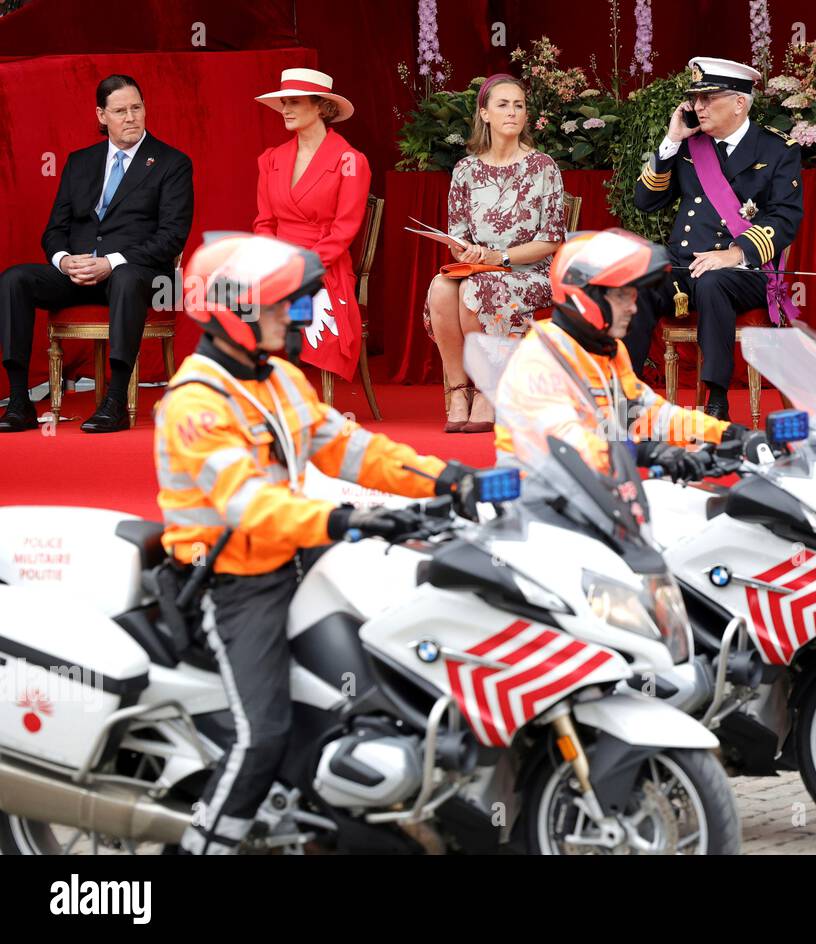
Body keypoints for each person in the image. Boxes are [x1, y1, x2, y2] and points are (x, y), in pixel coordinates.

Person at [158, 233, 474, 854]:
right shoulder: (195, 402)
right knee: (262, 735)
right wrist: (341, 521)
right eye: (279, 305)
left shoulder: (275, 378)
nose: (294, 316)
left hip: (295, 562)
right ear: (234, 311)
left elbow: (351, 448)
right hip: (230, 585)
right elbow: (248, 503)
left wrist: (444, 477)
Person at [0, 74, 193, 433]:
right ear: (101, 115)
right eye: (120, 111)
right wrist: (64, 260)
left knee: (124, 276)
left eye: (137, 107)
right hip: (80, 272)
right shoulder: (80, 162)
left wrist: (111, 262)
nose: (131, 117)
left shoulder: (171, 163)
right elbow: (54, 230)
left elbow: (171, 238)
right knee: (15, 279)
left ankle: (115, 400)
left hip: (140, 273)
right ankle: (18, 401)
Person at [623, 56, 803, 421]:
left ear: (739, 102)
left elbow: (786, 218)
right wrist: (672, 139)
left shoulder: (777, 150)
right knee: (638, 277)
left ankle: (715, 401)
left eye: (708, 99)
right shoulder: (691, 145)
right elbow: (646, 201)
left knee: (714, 282)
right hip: (684, 262)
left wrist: (736, 253)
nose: (697, 107)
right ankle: (626, 400)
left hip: (745, 270)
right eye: (695, 99)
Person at [494, 229, 756, 479]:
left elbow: (649, 414)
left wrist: (731, 435)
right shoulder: (541, 357)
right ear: (586, 295)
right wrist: (649, 451)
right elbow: (567, 445)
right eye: (622, 297)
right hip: (538, 505)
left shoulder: (606, 349)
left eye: (634, 296)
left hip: (599, 498)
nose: (633, 308)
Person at [424, 73, 565, 433]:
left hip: (529, 275)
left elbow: (551, 240)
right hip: (479, 269)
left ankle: (489, 389)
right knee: (441, 287)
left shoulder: (543, 167)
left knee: (477, 288)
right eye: (503, 105)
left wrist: (497, 258)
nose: (512, 112)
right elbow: (458, 238)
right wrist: (464, 250)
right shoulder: (466, 170)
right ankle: (459, 389)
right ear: (484, 113)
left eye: (519, 105)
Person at [253, 68, 371, 385]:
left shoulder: (350, 160)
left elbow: (344, 232)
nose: (286, 110)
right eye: (283, 103)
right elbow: (264, 222)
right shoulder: (271, 159)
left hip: (325, 267)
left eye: (294, 102)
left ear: (321, 106)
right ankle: (254, 397)